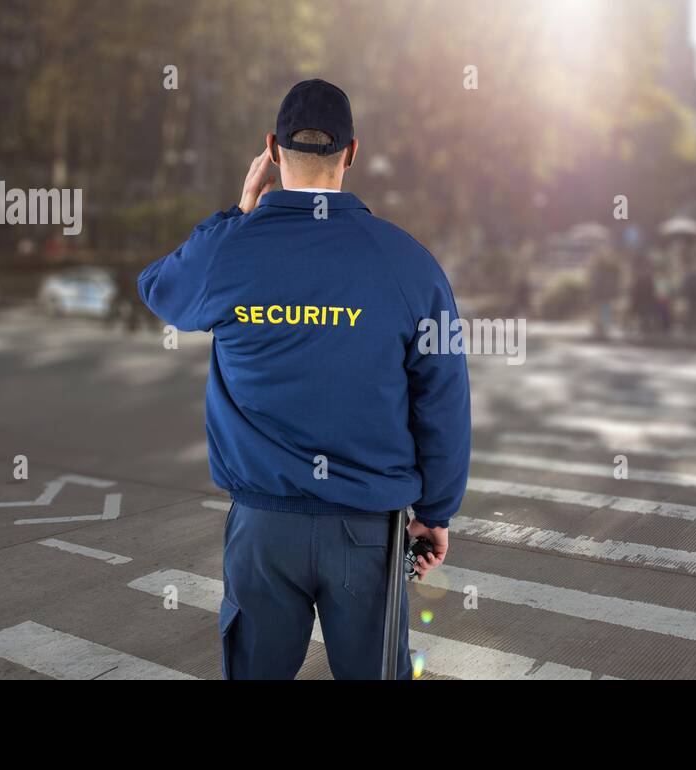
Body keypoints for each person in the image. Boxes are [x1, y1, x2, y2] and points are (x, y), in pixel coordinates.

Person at [138, 79, 471, 680]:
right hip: (368, 532)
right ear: (351, 152)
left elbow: (158, 289)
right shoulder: (409, 264)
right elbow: (443, 399)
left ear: (271, 149)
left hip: (264, 533)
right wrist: (435, 512)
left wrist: (239, 211)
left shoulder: (230, 253)